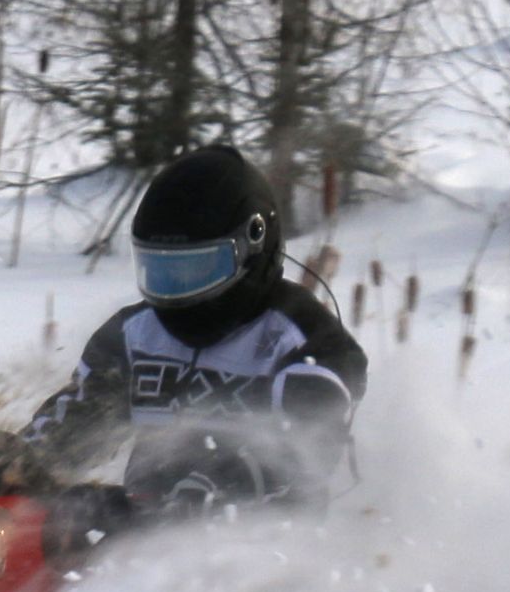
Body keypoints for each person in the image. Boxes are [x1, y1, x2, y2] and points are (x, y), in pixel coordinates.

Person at [23, 144, 366, 515]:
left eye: (196, 271)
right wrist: (12, 466)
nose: (177, 292)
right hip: (136, 527)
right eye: (163, 273)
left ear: (253, 246)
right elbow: (82, 421)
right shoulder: (133, 334)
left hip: (267, 545)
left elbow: (306, 442)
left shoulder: (304, 340)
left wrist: (226, 481)